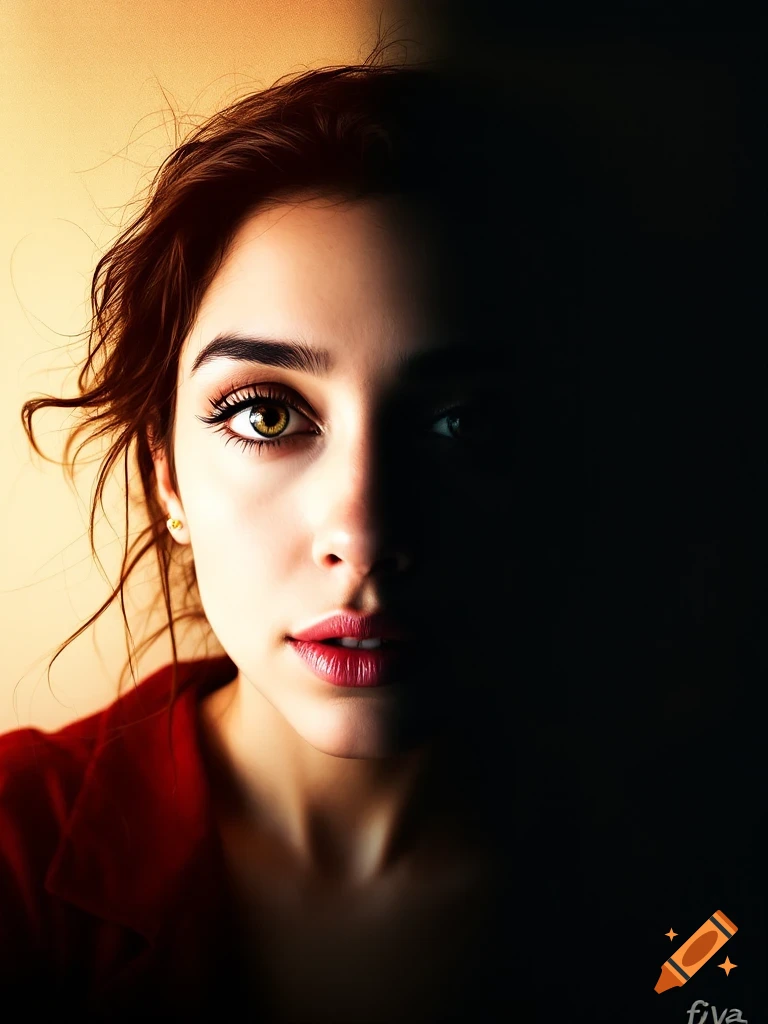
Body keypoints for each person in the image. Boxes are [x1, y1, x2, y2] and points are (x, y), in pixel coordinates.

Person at [0, 44, 593, 1023]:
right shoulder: (16, 854)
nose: (362, 533)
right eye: (268, 413)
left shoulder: (692, 880)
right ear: (165, 470)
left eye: (466, 422)